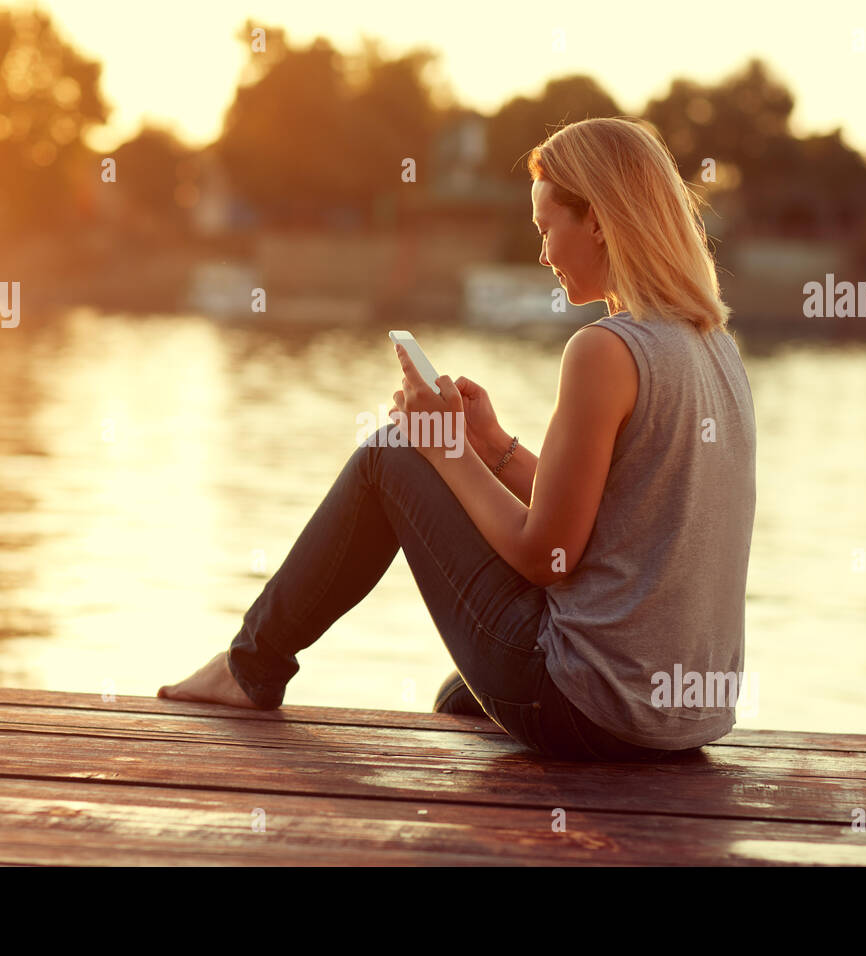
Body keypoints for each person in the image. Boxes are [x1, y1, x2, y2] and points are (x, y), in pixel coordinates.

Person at [159, 117, 756, 762]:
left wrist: (442, 446)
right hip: (685, 717)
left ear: (600, 222)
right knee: (457, 698)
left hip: (593, 708)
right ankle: (270, 665)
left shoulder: (605, 351)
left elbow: (544, 556)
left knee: (391, 454)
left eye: (546, 228)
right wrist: (492, 444)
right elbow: (616, 518)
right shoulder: (716, 349)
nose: (543, 252)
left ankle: (250, 667)